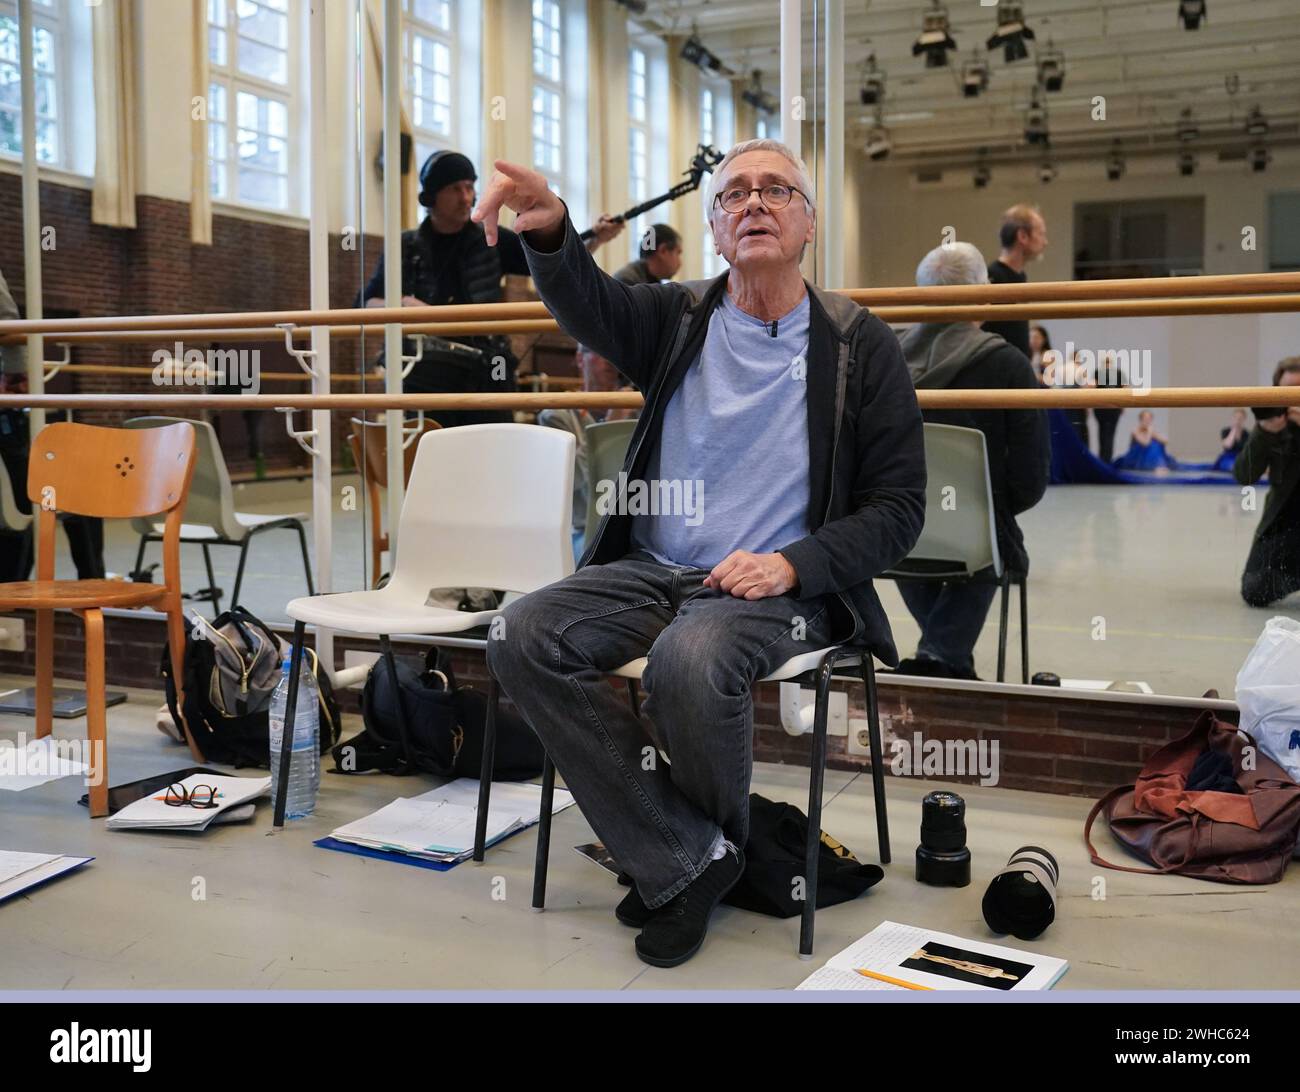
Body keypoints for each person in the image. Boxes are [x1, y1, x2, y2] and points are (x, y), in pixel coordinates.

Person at [472, 138, 925, 967]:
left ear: (809, 223)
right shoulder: (677, 317)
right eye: (734, 195)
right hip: (653, 570)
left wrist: (791, 565)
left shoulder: (860, 346)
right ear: (715, 230)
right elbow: (591, 307)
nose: (754, 203)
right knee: (520, 634)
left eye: (777, 191)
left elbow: (899, 511)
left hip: (778, 590)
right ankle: (697, 858)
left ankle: (680, 863)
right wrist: (551, 231)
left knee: (691, 659)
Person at [360, 150, 624, 427]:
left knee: (495, 451)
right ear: (432, 196)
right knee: (434, 458)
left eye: (470, 186)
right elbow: (364, 303)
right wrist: (403, 304)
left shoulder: (492, 235)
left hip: (486, 370)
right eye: (455, 188)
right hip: (426, 374)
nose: (466, 197)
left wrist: (596, 237)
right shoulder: (406, 245)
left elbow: (552, 258)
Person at [893, 242, 1049, 681]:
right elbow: (1031, 480)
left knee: (904, 524)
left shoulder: (883, 358)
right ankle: (942, 660)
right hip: (974, 540)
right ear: (984, 294)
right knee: (988, 535)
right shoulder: (1009, 366)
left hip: (896, 534)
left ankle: (943, 658)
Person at [537, 344, 639, 560]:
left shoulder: (636, 407)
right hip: (580, 531)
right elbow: (566, 481)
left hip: (631, 526)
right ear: (580, 358)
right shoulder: (557, 415)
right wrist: (612, 425)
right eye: (598, 349)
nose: (609, 359)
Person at [1235, 359, 1300, 607]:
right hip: (1284, 526)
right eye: (1287, 393)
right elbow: (1244, 476)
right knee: (1255, 589)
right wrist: (1264, 432)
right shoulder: (1275, 423)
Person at [981, 204, 1048, 359]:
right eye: (1041, 234)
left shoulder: (1019, 276)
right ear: (1023, 236)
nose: (1045, 242)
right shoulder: (992, 277)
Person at [1042, 348, 1092, 446]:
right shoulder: (1080, 369)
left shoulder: (1061, 368)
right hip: (1077, 403)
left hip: (1063, 402)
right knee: (1077, 430)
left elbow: (1055, 387)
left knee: (1066, 428)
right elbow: (1085, 388)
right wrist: (1086, 408)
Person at [613, 223, 683, 286]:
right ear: (663, 250)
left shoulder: (650, 279)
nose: (680, 263)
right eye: (678, 253)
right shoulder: (627, 282)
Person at [1092, 349, 1127, 464]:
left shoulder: (1099, 372)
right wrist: (1123, 406)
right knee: (1110, 434)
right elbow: (1125, 389)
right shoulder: (1118, 373)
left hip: (1102, 407)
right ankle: (1107, 460)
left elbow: (1091, 388)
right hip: (1112, 407)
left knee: (1103, 434)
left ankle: (1103, 459)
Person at [1217, 408, 1250, 473]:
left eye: (1240, 418)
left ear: (1244, 419)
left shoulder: (1247, 434)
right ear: (1232, 418)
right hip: (1228, 457)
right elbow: (1227, 445)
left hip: (1241, 458)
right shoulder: (1226, 431)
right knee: (1233, 466)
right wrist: (1234, 430)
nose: (1238, 420)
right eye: (1236, 418)